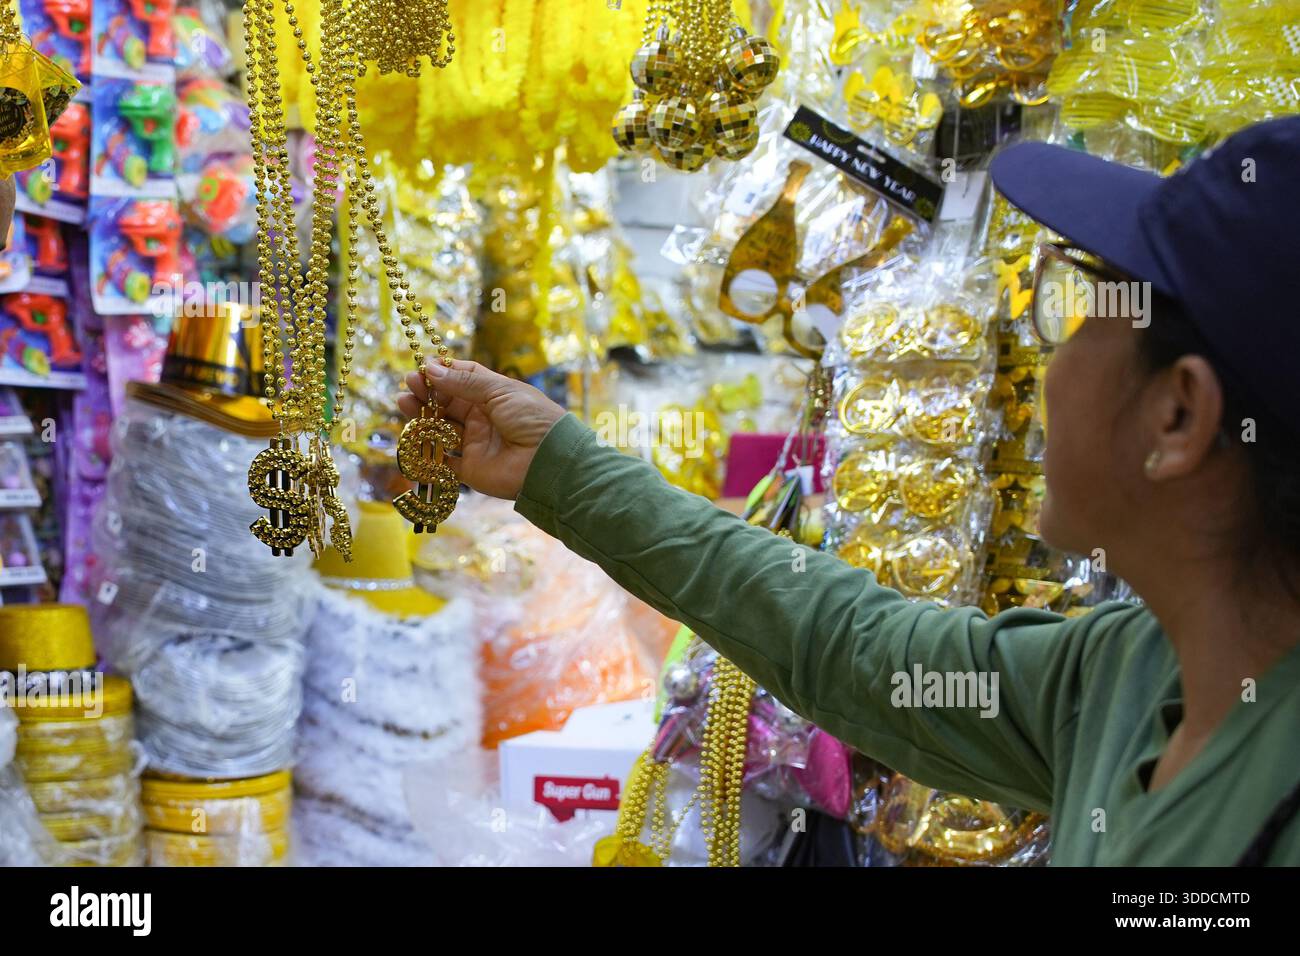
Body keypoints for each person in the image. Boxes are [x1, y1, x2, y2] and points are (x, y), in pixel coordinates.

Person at [397, 116, 1300, 865]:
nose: (1050, 359)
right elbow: (854, 650)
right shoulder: (1122, 671)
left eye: (1077, 306)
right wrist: (561, 466)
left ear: (1178, 416)